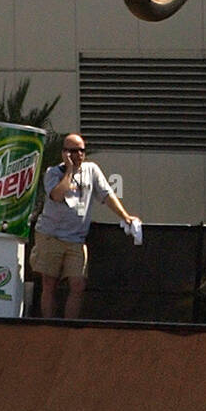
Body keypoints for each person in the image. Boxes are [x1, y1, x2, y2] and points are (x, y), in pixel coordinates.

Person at [30, 133, 140, 319]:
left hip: (76, 239)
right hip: (51, 235)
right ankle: (48, 327)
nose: (79, 155)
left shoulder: (92, 170)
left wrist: (126, 216)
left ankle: (69, 327)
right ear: (64, 153)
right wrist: (70, 171)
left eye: (82, 150)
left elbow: (107, 195)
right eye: (74, 151)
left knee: (78, 284)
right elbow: (56, 195)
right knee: (49, 284)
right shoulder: (52, 173)